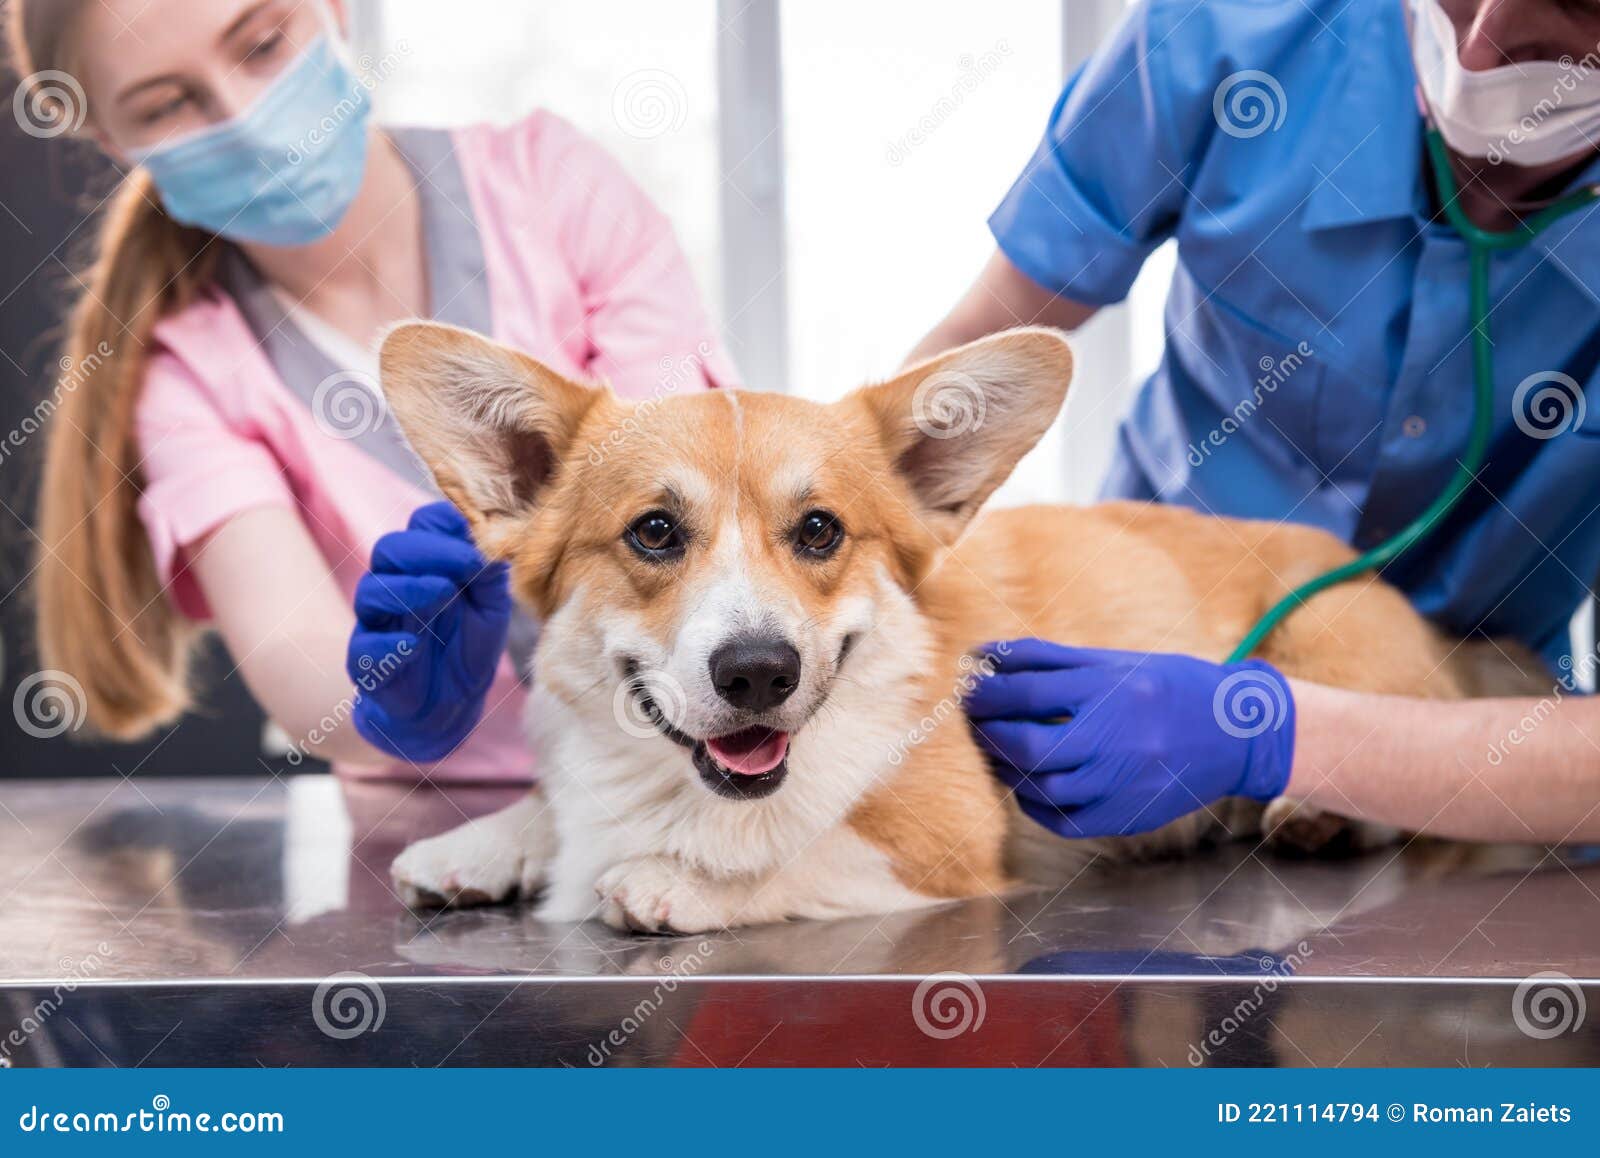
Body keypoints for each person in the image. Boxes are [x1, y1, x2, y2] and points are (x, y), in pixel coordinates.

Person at [926, 0, 1600, 843]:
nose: (1479, 45)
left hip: (1478, 755)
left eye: (1573, 8)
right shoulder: (1228, 32)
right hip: (1127, 662)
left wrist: (1274, 737)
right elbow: (967, 363)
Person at [16, 0, 735, 778]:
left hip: (699, 786)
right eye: (167, 105)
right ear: (111, 141)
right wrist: (391, 699)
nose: (244, 119)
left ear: (332, 9)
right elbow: (295, 653)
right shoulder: (188, 377)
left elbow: (688, 491)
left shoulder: (552, 184)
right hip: (446, 830)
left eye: (262, 44)